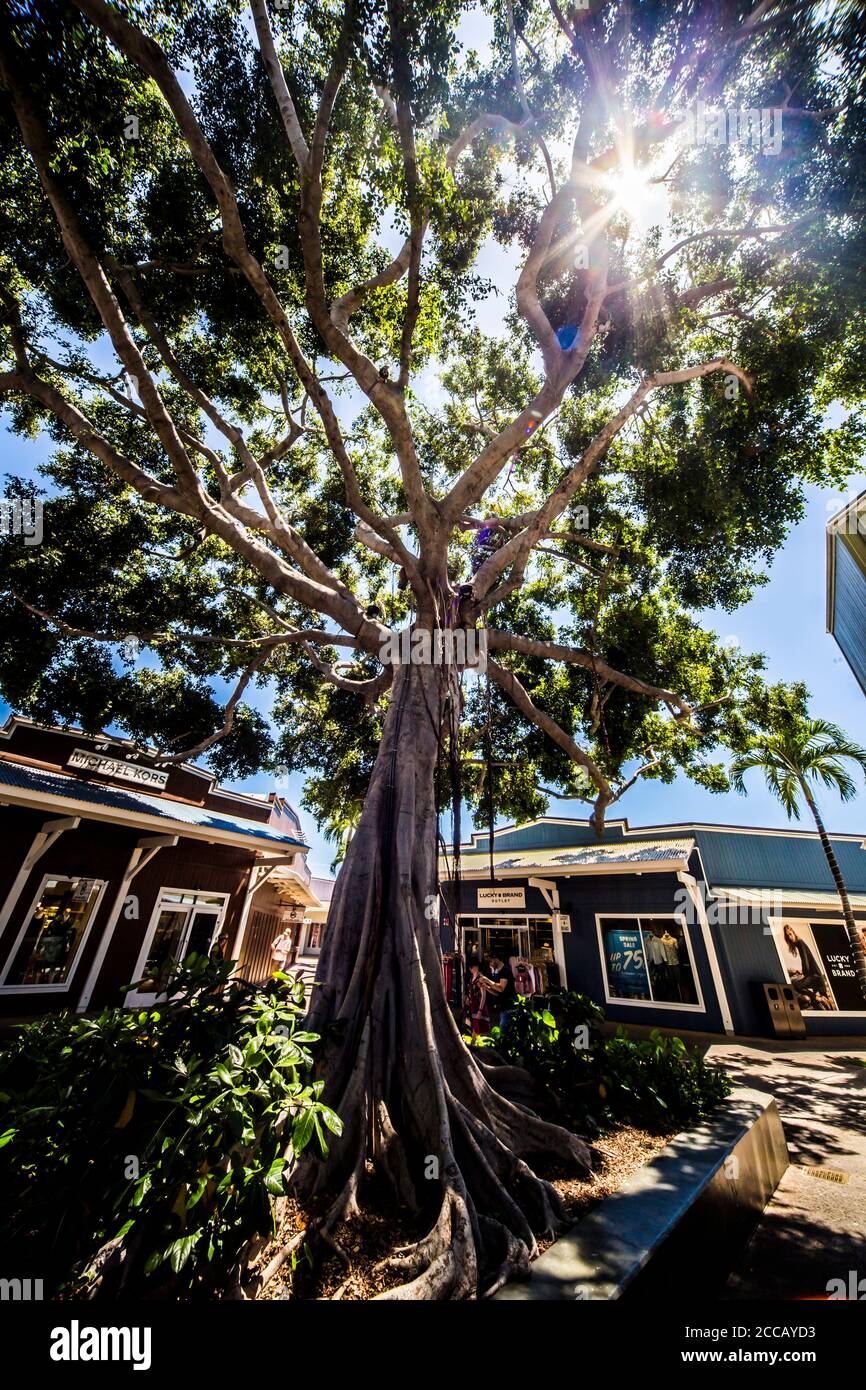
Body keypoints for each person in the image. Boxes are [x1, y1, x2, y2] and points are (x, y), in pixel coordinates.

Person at [781, 925, 833, 1010]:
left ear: (793, 932)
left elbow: (805, 961)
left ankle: (819, 998)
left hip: (815, 976)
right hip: (817, 976)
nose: (790, 937)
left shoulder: (800, 943)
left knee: (796, 986)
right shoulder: (799, 944)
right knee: (824, 1006)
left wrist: (804, 974)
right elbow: (805, 961)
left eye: (790, 934)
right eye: (787, 936)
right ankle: (819, 999)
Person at [483, 949, 517, 1038]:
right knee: (505, 1030)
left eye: (491, 961)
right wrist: (486, 987)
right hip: (502, 1006)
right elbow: (496, 992)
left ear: (496, 959)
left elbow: (501, 988)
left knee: (503, 1030)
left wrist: (487, 981)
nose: (490, 964)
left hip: (509, 1005)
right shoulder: (497, 972)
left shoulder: (505, 970)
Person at [464, 955, 490, 1039]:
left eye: (472, 967)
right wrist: (467, 999)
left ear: (476, 966)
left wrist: (480, 1010)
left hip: (478, 1007)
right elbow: (470, 991)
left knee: (479, 1031)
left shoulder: (481, 978)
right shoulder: (472, 977)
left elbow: (483, 996)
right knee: (471, 1029)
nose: (471, 969)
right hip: (472, 1007)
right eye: (470, 967)